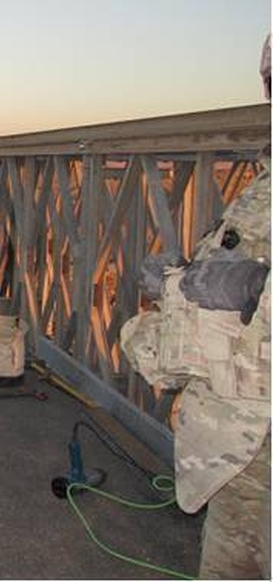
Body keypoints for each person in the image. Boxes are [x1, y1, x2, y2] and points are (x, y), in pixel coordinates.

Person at [121, 153, 270, 578]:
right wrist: (176, 285)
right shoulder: (264, 178)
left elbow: (249, 286)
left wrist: (258, 286)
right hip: (236, 452)